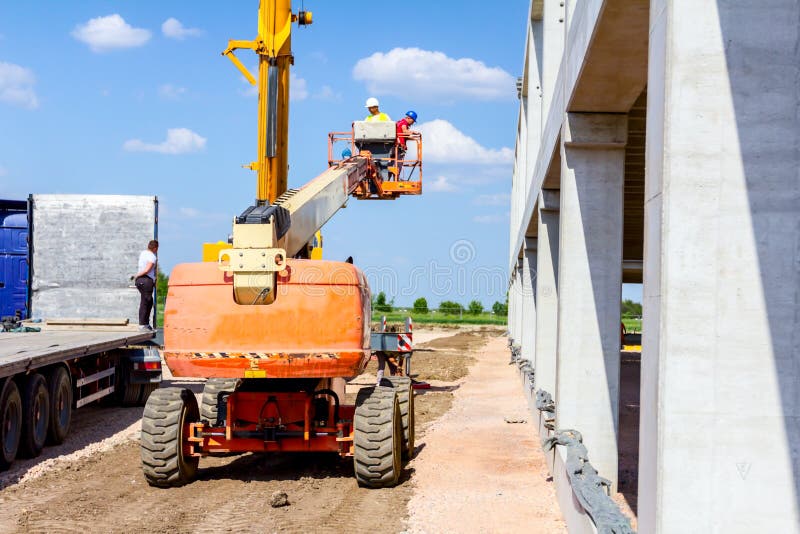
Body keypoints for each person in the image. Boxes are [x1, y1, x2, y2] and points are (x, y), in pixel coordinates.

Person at [134, 240, 158, 331]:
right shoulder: (152, 257)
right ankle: (142, 325)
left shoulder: (143, 253)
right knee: (146, 302)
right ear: (155, 248)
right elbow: (147, 270)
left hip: (141, 280)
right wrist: (137, 275)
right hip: (145, 280)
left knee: (149, 301)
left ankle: (146, 324)